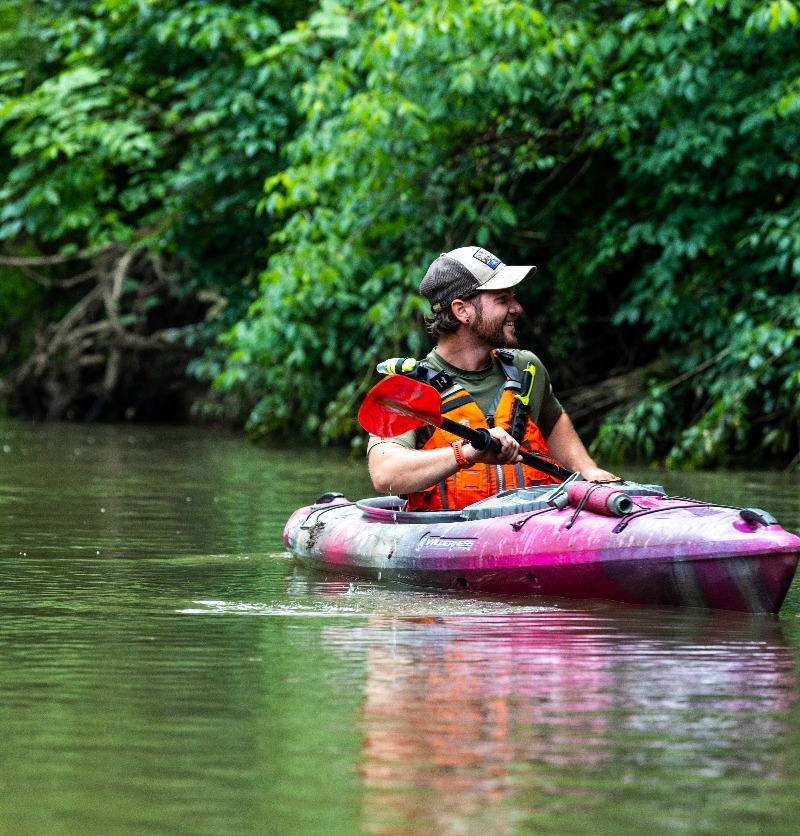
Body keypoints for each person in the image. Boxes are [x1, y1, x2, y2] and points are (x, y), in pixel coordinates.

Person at [367, 246, 619, 511]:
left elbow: (553, 422)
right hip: (450, 537)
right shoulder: (408, 388)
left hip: (532, 532)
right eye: (502, 300)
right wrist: (467, 452)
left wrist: (588, 470)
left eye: (513, 297)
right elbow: (385, 474)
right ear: (462, 310)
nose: (517, 308)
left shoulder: (526, 370)